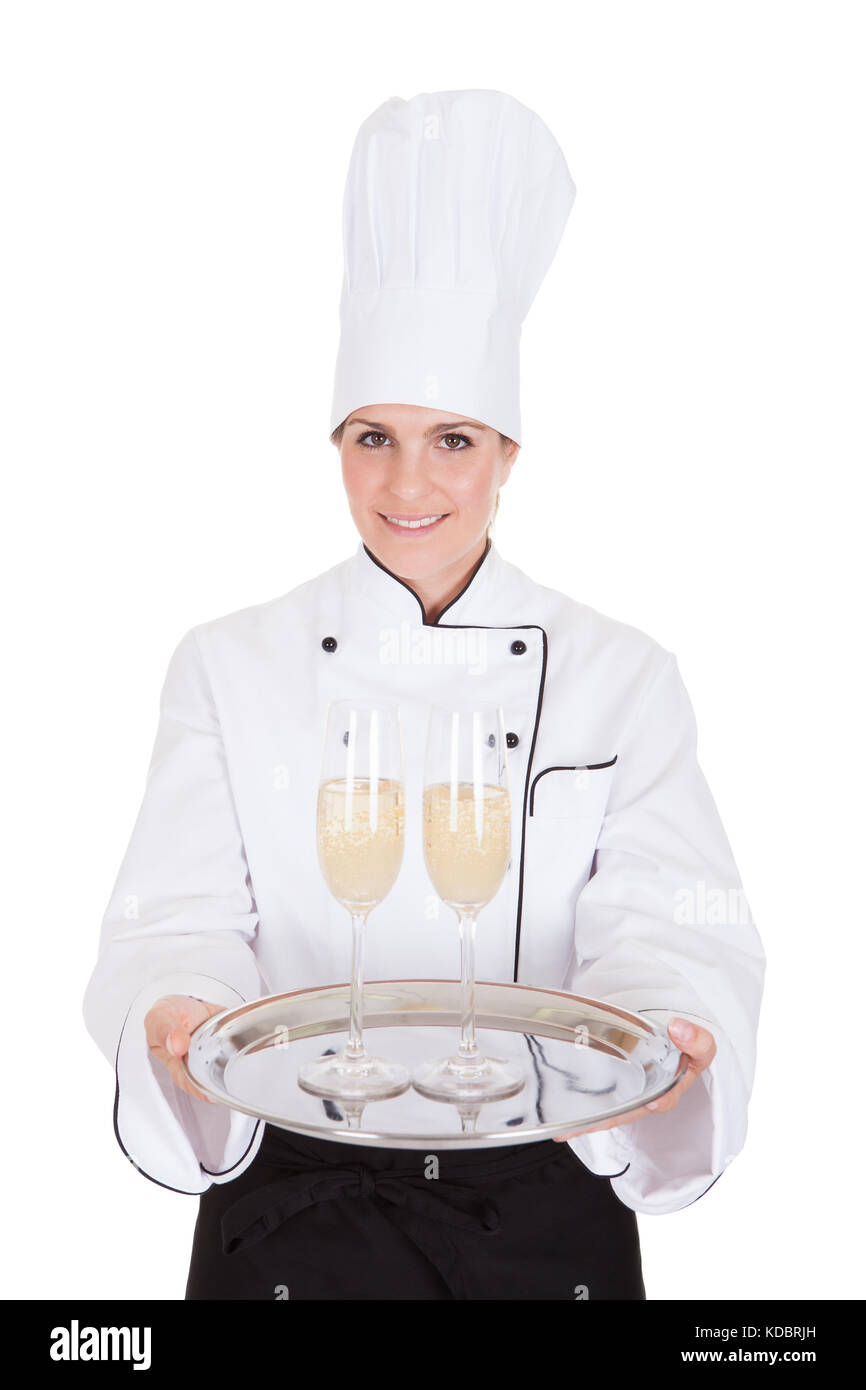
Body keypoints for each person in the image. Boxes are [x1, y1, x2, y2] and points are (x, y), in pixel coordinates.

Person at [83, 90, 765, 1301]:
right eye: (371, 436)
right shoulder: (227, 663)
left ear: (508, 454)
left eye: (452, 439)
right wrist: (178, 1006)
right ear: (333, 444)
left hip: (544, 1208)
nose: (408, 483)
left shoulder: (623, 675)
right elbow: (173, 914)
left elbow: (666, 924)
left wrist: (668, 1018)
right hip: (292, 1208)